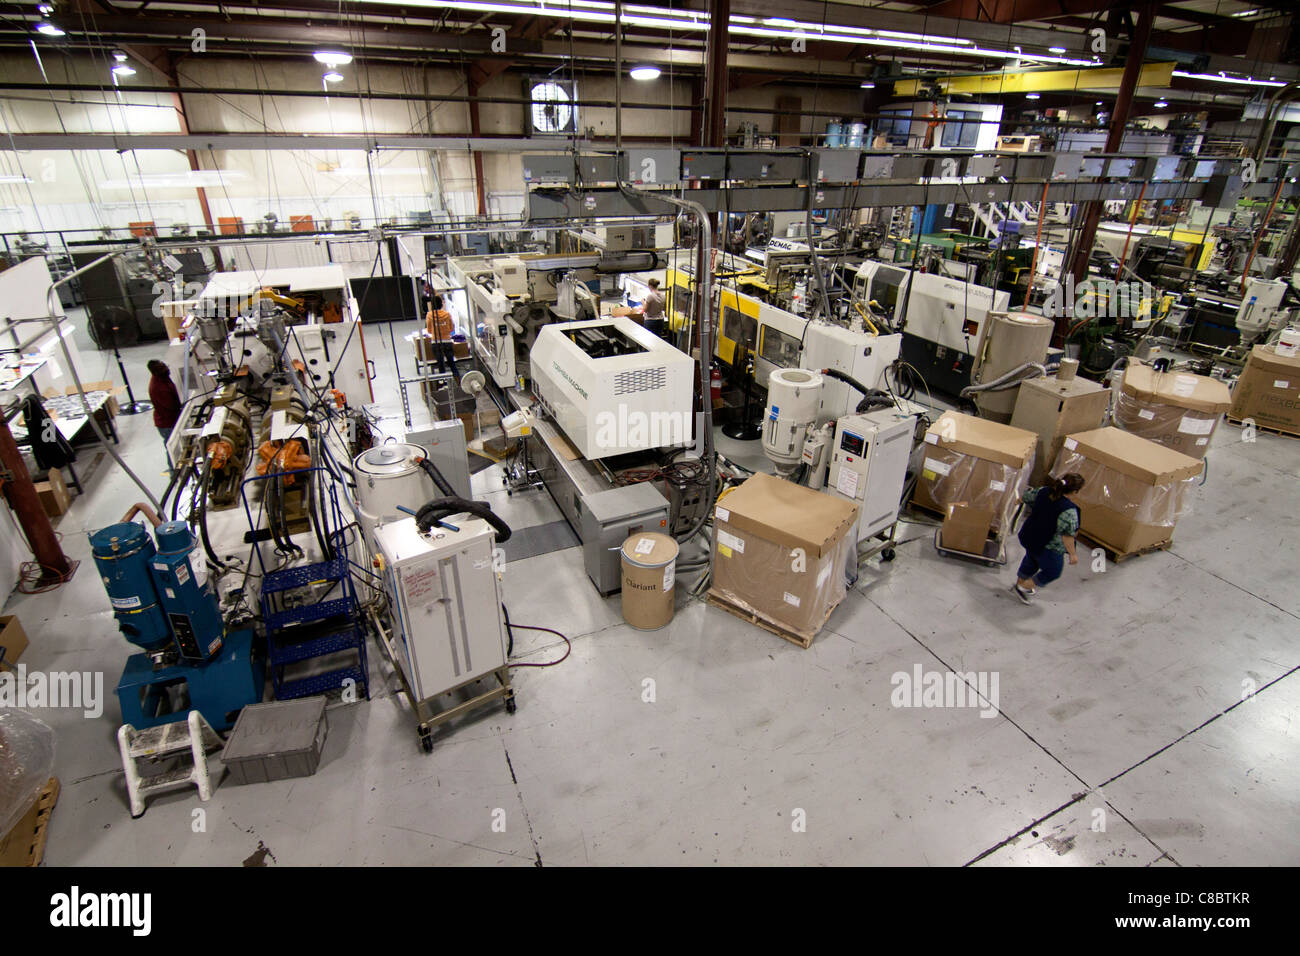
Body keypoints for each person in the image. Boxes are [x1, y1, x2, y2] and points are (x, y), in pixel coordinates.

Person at [1011, 472, 1085, 605]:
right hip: (1048, 546)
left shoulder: (1043, 491)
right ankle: (1024, 586)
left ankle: (1020, 583)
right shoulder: (1069, 511)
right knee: (1053, 571)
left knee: (1031, 560)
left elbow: (1027, 497)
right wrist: (1073, 554)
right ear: (1075, 491)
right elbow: (1067, 536)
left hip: (1030, 536)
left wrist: (1019, 500)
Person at [147, 360, 181, 470]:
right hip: (167, 423)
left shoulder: (163, 377)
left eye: (165, 366)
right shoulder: (158, 387)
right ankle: (173, 472)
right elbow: (171, 406)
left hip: (171, 419)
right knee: (171, 449)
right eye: (163, 369)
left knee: (174, 447)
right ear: (155, 372)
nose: (166, 369)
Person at [425, 294, 457, 375]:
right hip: (447, 341)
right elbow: (451, 328)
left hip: (436, 342)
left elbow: (429, 330)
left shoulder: (429, 315)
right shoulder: (447, 314)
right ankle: (459, 381)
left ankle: (443, 383)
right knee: (452, 364)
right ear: (441, 304)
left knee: (441, 365)